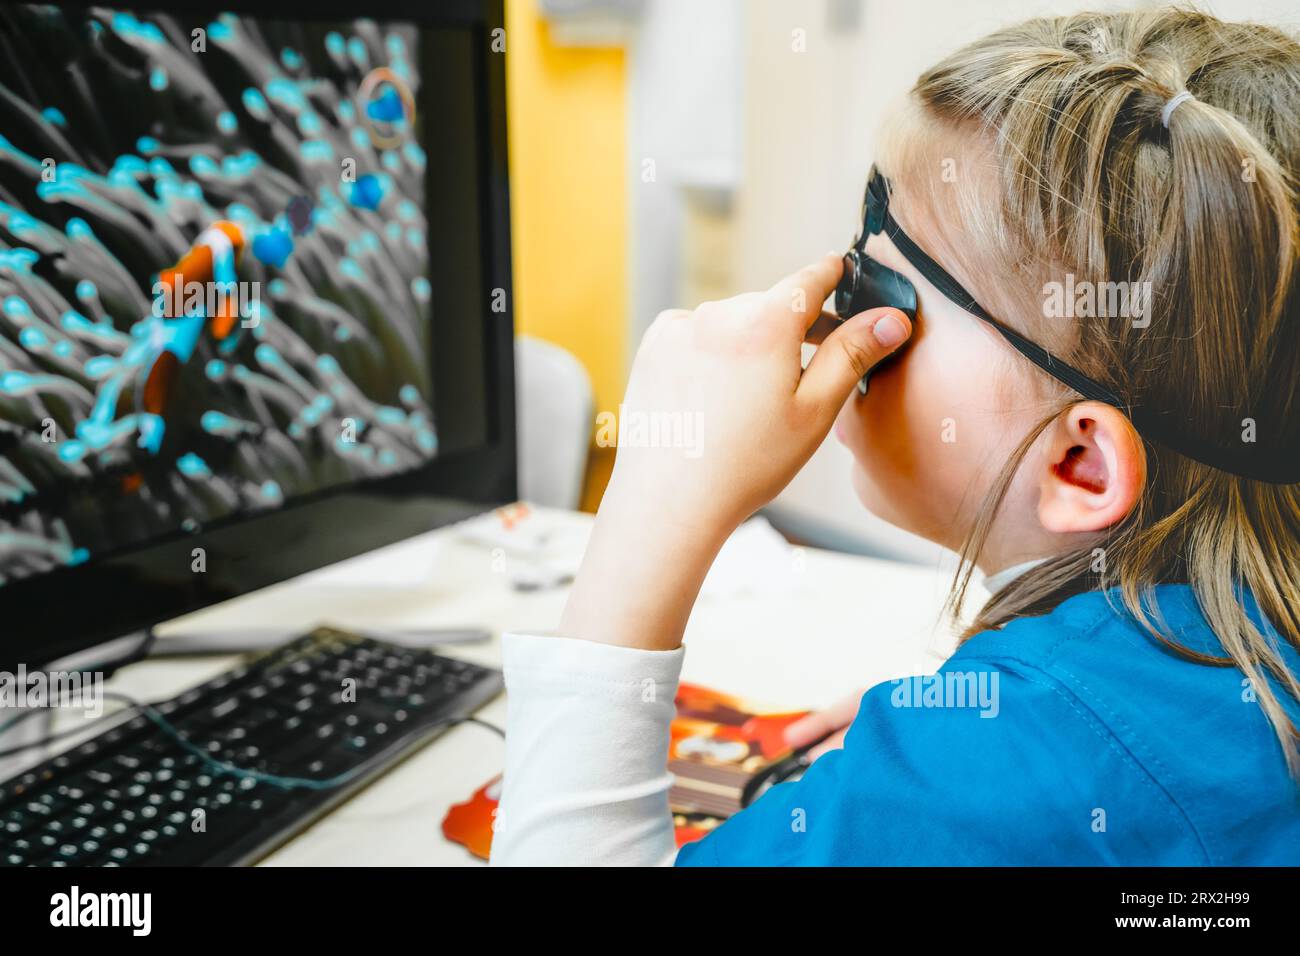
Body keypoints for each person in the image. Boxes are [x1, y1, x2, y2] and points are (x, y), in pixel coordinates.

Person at [490, 6, 1300, 865]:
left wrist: (655, 505)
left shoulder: (1020, 771)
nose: (832, 311)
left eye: (878, 291)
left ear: (1080, 464)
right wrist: (955, 738)